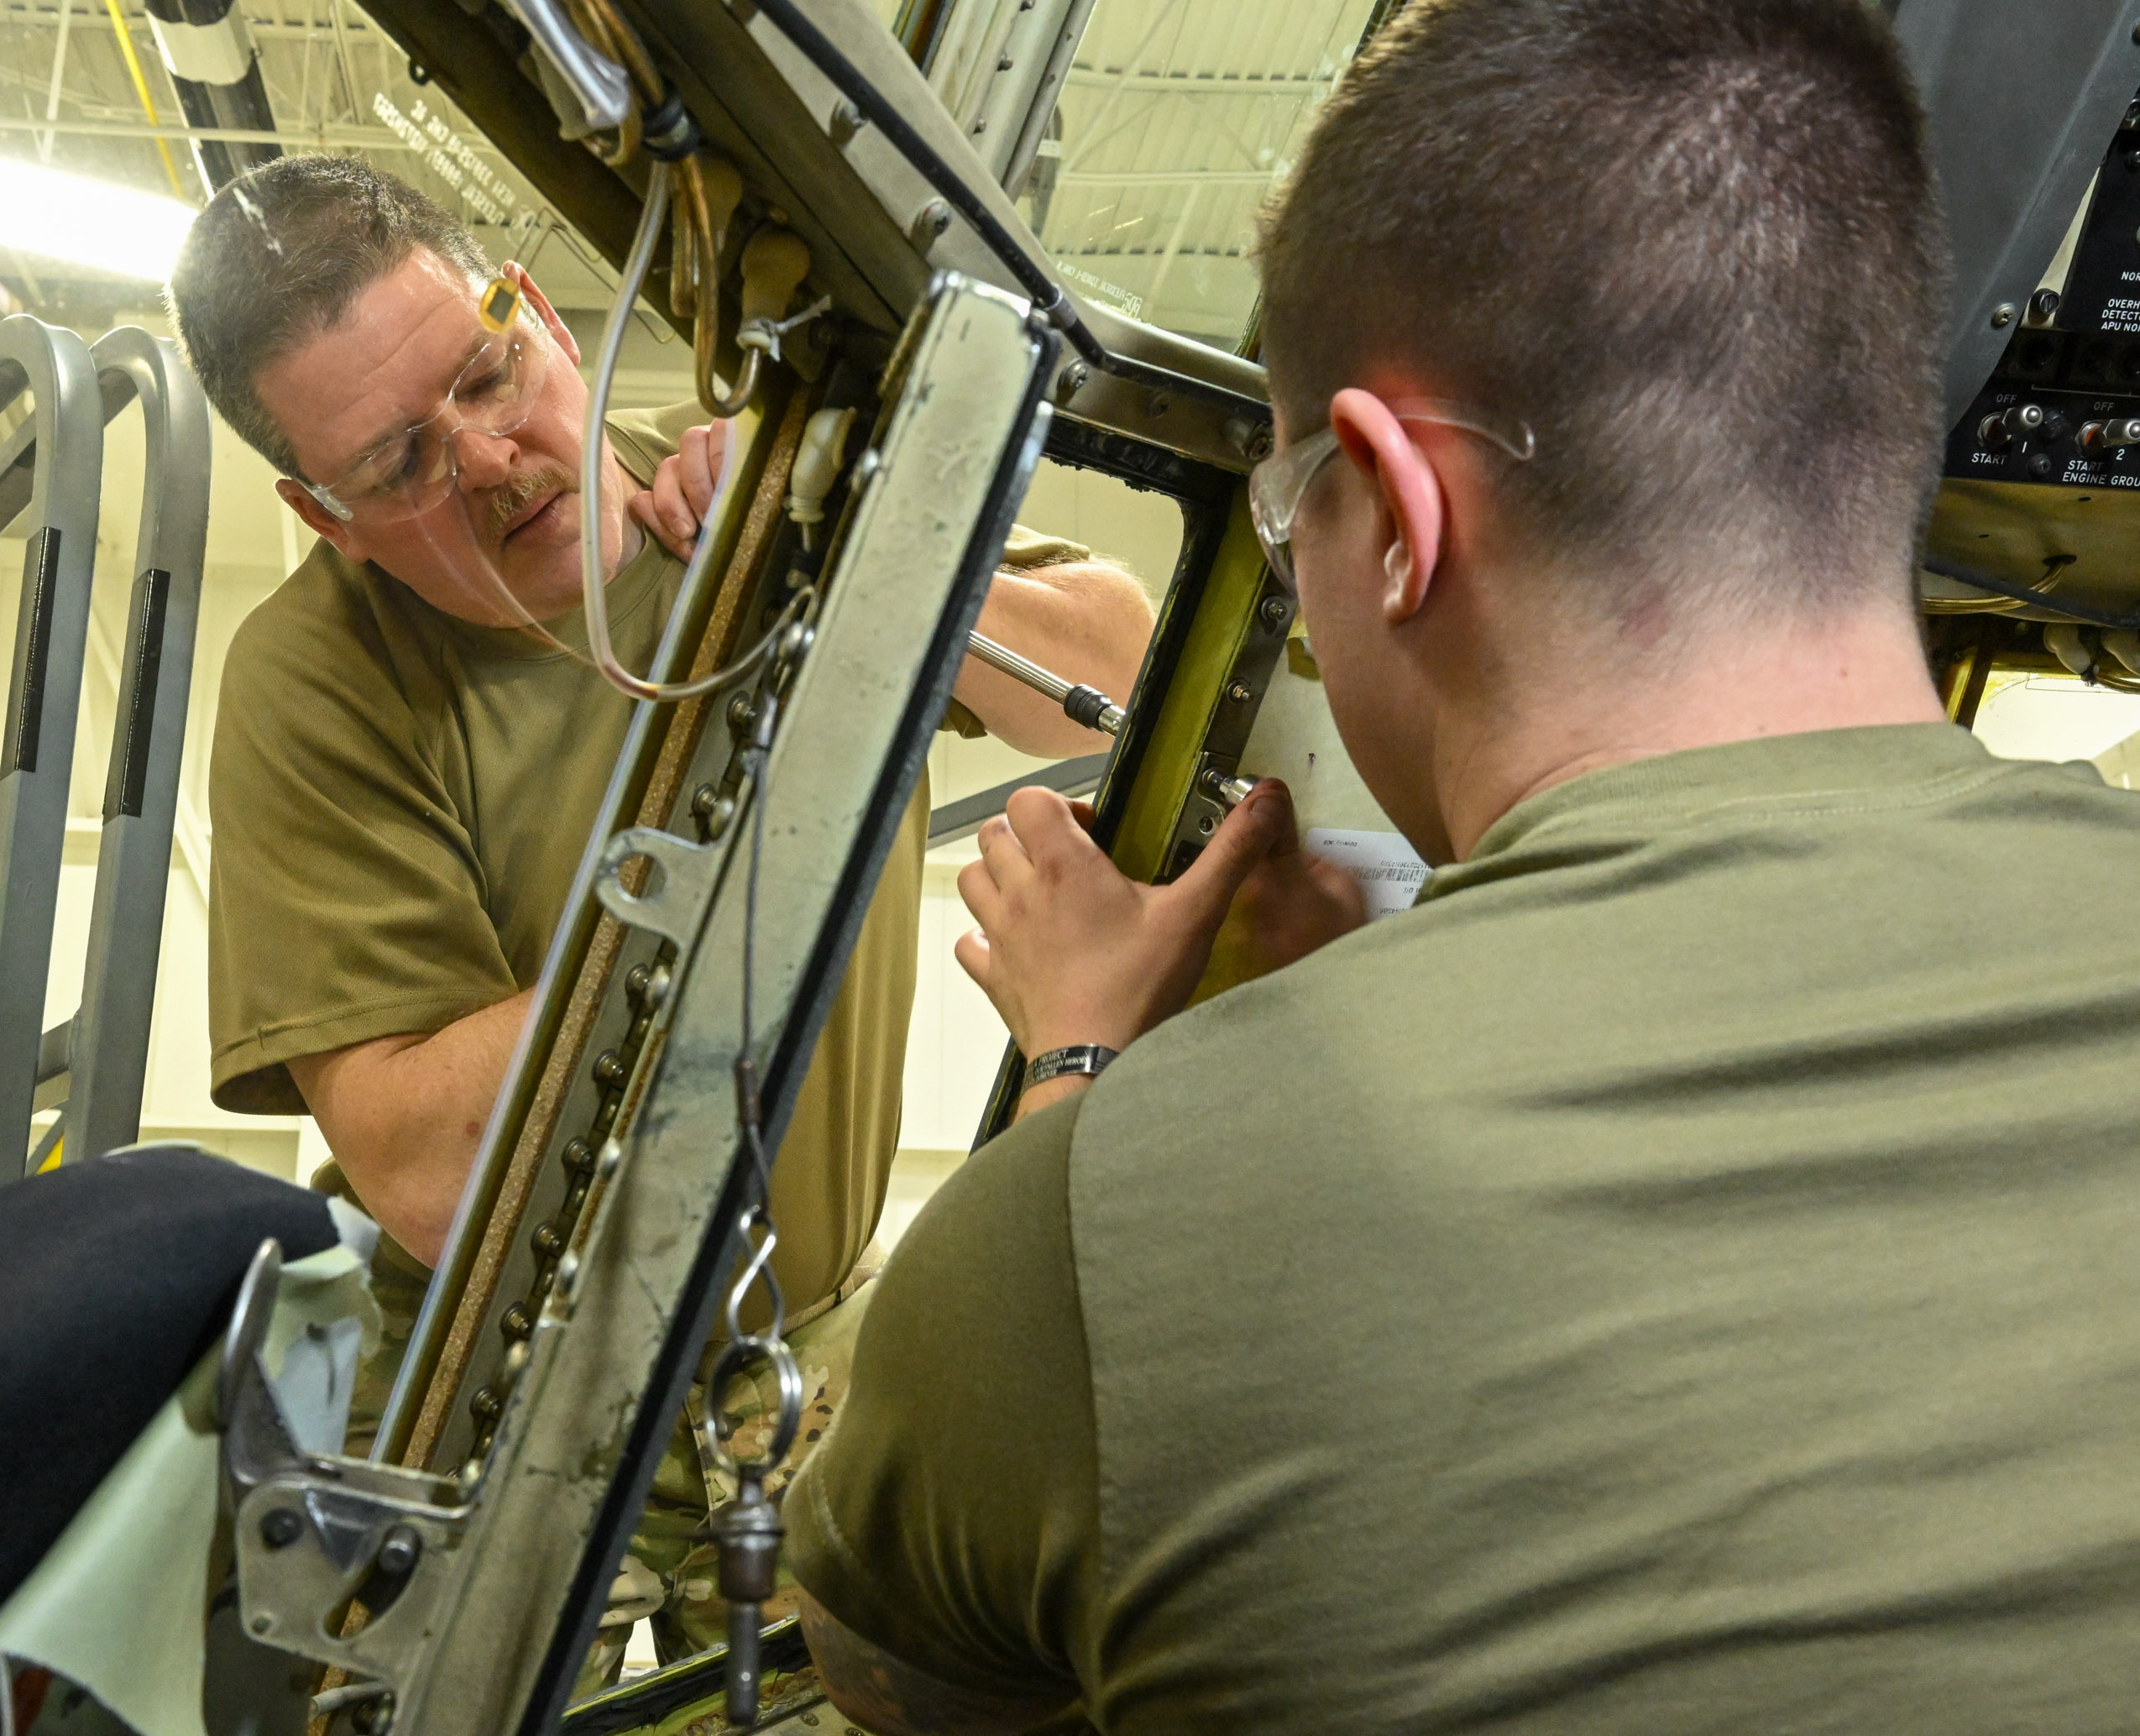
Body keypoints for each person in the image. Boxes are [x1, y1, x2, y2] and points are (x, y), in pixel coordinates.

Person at [784, 1, 2140, 1730]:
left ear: (1393, 507)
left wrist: (1088, 1080)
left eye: (1289, 515)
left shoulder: (1116, 1218)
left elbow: (902, 1674)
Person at [161, 155, 1154, 1686]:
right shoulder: (315, 680)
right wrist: (727, 871)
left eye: (487, 376)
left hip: (802, 1337)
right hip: (488, 1375)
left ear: (544, 320)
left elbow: (1125, 665)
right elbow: (432, 1172)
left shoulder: (777, 505)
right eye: (397, 463)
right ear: (324, 515)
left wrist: (870, 569)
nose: (489, 462)